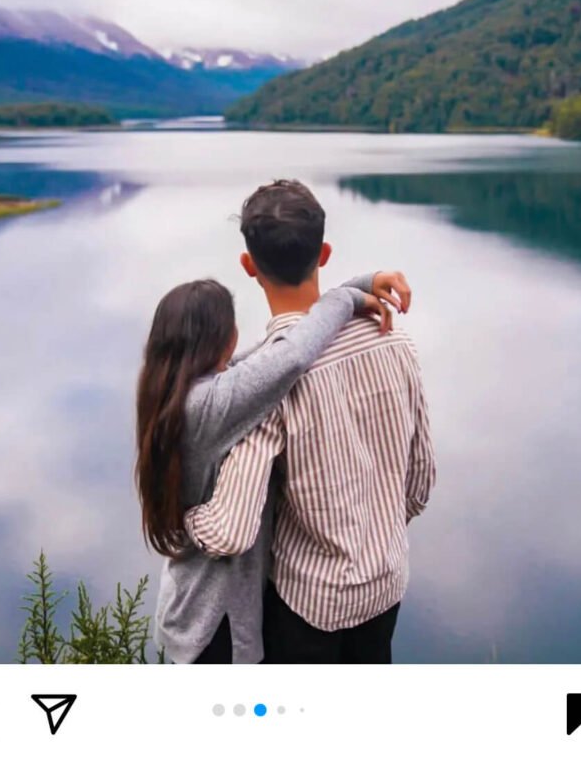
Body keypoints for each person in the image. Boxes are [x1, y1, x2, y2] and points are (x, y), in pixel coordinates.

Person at [185, 180, 436, 663]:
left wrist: (183, 522)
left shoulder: (266, 386)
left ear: (249, 266)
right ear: (324, 254)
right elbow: (420, 480)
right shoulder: (393, 339)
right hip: (386, 585)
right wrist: (375, 533)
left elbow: (231, 530)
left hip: (306, 603)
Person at [136, 263, 411, 664]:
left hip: (187, 603)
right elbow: (291, 356)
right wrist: (350, 296)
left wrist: (359, 287)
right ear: (225, 340)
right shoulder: (215, 404)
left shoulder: (170, 392)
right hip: (218, 621)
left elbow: (279, 352)